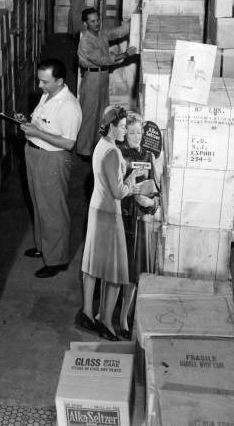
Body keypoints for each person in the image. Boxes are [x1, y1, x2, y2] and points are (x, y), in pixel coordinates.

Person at [76, 106, 142, 341]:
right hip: (108, 213)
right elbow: (117, 191)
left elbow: (106, 180)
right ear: (112, 127)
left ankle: (87, 313)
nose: (125, 131)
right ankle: (105, 320)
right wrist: (132, 185)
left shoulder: (101, 146)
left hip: (96, 209)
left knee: (94, 265)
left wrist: (125, 176)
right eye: (123, 127)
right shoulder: (113, 152)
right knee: (114, 271)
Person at [16, 58, 82, 279]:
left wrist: (37, 134)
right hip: (34, 153)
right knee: (38, 203)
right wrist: (27, 123)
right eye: (39, 80)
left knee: (53, 210)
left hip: (52, 160)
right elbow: (42, 123)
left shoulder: (69, 106)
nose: (40, 86)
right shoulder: (48, 95)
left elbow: (68, 143)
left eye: (45, 82)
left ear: (60, 81)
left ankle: (57, 259)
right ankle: (43, 246)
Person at [118, 112, 161, 337]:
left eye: (139, 132)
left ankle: (132, 316)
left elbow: (157, 189)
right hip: (126, 220)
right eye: (132, 132)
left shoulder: (148, 155)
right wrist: (133, 184)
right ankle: (122, 318)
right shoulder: (119, 155)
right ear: (125, 133)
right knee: (125, 271)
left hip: (144, 221)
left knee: (139, 271)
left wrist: (151, 202)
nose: (136, 136)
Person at [77, 7, 135, 158]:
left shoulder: (101, 34)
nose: (96, 24)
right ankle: (84, 151)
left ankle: (96, 146)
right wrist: (124, 54)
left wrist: (134, 18)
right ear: (85, 24)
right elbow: (100, 59)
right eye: (92, 21)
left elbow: (117, 32)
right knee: (89, 114)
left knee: (102, 111)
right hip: (92, 78)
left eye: (98, 20)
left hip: (102, 77)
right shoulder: (85, 41)